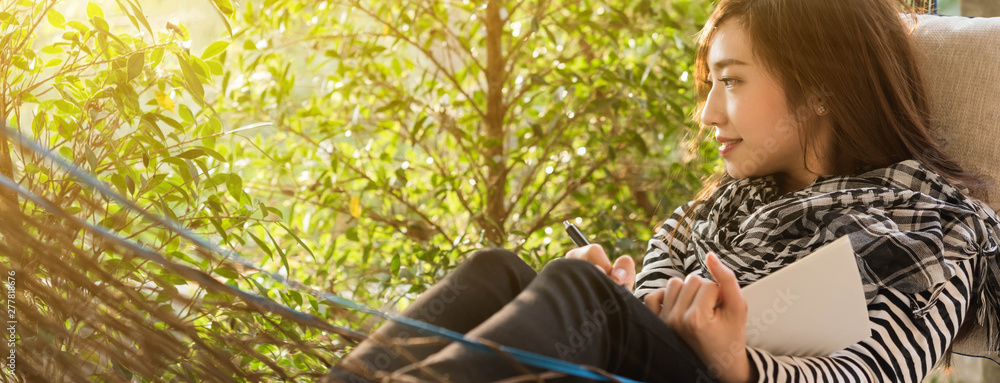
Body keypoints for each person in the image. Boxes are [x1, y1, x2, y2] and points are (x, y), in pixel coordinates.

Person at [323, 0, 1000, 381]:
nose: (708, 115)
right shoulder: (718, 208)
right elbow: (641, 318)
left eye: (731, 82)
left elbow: (879, 374)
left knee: (583, 293)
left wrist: (739, 361)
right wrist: (624, 300)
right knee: (498, 270)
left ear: (821, 87)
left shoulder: (930, 225)